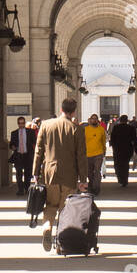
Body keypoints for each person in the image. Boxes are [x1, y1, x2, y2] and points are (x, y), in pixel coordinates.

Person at [33, 97, 88, 251]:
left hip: (50, 173)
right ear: (74, 111)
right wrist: (83, 179)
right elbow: (81, 156)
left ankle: (46, 227)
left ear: (61, 109)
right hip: (69, 175)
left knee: (50, 205)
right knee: (65, 209)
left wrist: (35, 173)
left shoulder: (46, 125)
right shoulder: (77, 129)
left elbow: (38, 151)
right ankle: (60, 244)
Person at [9, 115, 38, 195]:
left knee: (27, 174)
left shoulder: (30, 132)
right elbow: (11, 144)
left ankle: (27, 188)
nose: (21, 125)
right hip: (18, 155)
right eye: (19, 123)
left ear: (24, 123)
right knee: (18, 173)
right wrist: (12, 147)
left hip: (27, 155)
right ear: (18, 124)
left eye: (22, 123)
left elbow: (35, 142)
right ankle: (20, 189)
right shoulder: (14, 133)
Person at [109, 113, 137, 188]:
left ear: (120, 120)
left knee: (118, 165)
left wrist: (113, 146)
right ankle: (125, 180)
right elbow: (134, 139)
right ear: (126, 120)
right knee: (125, 165)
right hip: (128, 149)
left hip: (118, 149)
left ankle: (120, 178)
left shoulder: (116, 127)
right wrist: (136, 149)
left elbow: (112, 138)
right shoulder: (131, 128)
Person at [84, 112, 106, 196]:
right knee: (89, 172)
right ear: (90, 120)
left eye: (96, 118)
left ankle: (96, 188)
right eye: (93, 118)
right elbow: (82, 142)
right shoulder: (86, 129)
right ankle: (91, 185)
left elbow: (103, 141)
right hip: (88, 154)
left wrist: (104, 151)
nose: (94, 120)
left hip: (98, 154)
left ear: (97, 120)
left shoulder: (101, 130)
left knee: (97, 171)